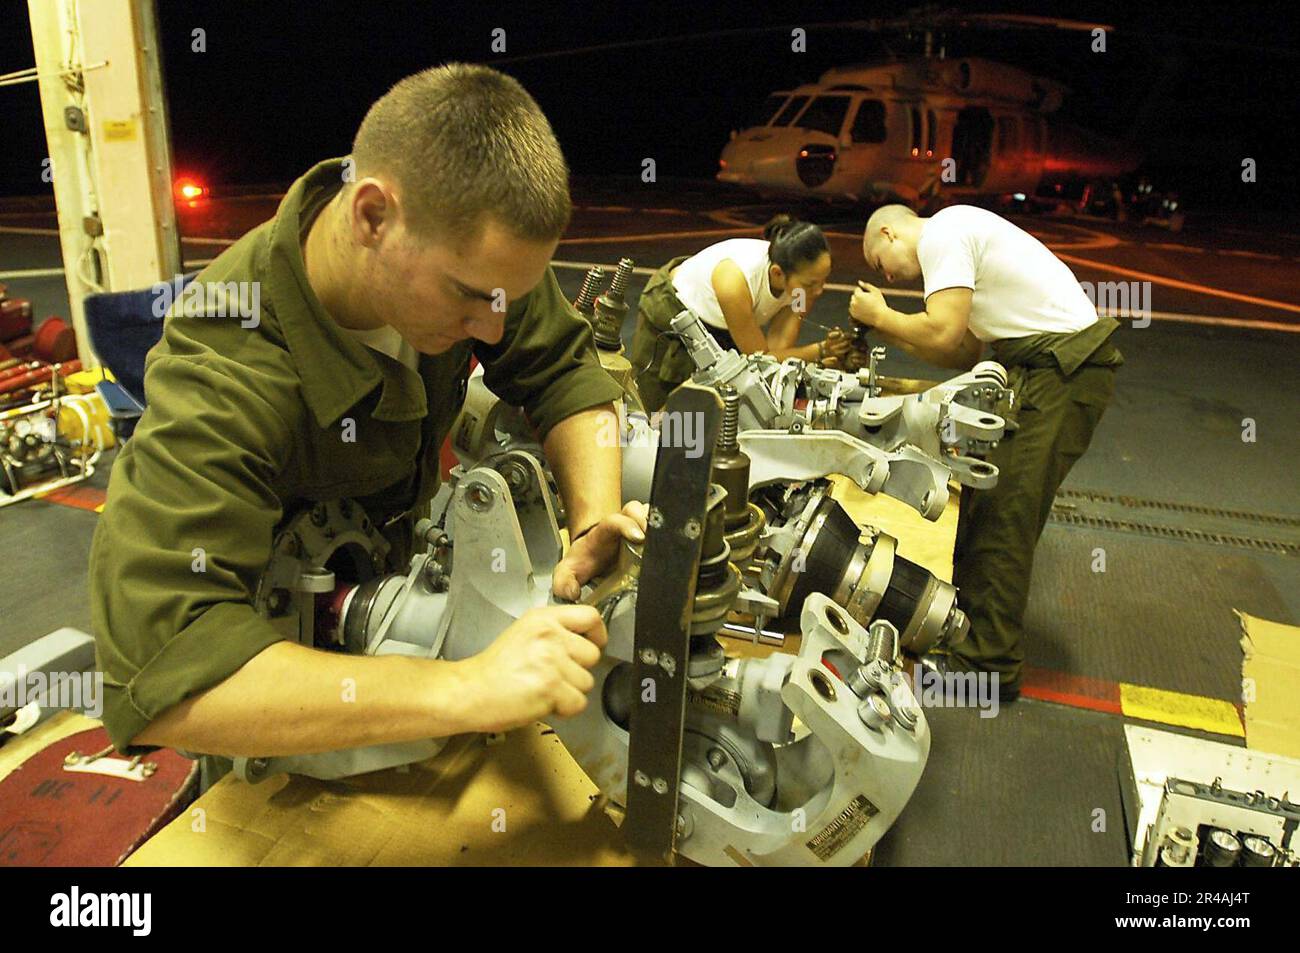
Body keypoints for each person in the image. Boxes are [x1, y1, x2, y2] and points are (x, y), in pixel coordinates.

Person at [89, 64, 646, 787]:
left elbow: (563, 366)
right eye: (473, 298)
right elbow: (167, 675)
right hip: (289, 714)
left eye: (508, 297)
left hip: (401, 615)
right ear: (372, 217)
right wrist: (470, 691)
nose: (494, 325)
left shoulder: (464, 251)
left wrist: (592, 519)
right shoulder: (225, 372)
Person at [850, 203, 1123, 701]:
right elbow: (959, 354)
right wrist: (887, 327)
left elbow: (944, 332)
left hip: (1061, 371)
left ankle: (988, 669)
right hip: (1044, 368)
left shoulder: (944, 233)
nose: (886, 274)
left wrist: (881, 314)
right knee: (982, 497)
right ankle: (967, 638)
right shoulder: (956, 242)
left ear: (888, 231)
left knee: (1005, 512)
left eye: (878, 261)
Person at [628, 215, 848, 411]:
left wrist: (823, 353)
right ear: (778, 273)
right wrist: (820, 350)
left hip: (726, 324)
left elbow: (776, 353)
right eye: (812, 284)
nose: (818, 291)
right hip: (674, 311)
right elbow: (758, 357)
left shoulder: (800, 290)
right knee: (656, 409)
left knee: (731, 403)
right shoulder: (734, 280)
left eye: (823, 280)